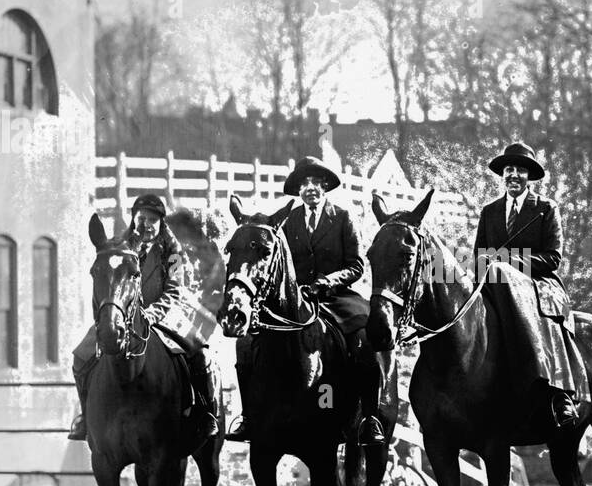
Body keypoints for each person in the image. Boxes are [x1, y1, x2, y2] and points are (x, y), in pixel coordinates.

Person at [224, 156, 388, 446]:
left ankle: (369, 418)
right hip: (295, 298)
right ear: (298, 190)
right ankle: (249, 415)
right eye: (304, 183)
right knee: (246, 342)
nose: (310, 188)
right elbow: (275, 262)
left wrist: (328, 281)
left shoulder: (342, 217)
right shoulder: (289, 221)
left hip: (336, 297)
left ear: (324, 186)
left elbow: (356, 265)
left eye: (315, 182)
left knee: (364, 338)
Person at [68, 193, 218, 441]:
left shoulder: (173, 252)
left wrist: (152, 313)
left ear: (161, 222)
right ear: (133, 219)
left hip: (165, 314)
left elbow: (175, 289)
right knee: (80, 355)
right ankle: (87, 417)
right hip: (124, 316)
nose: (146, 224)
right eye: (141, 218)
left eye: (153, 219)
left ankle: (206, 412)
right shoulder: (119, 247)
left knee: (199, 351)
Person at [473, 141, 588, 431]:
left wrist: (509, 264)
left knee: (548, 316)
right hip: (496, 283)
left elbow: (553, 257)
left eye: (519, 171)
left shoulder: (547, 209)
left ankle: (560, 393)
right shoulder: (490, 211)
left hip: (538, 282)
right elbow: (478, 256)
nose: (513, 175)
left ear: (528, 177)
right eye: (509, 170)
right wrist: (494, 268)